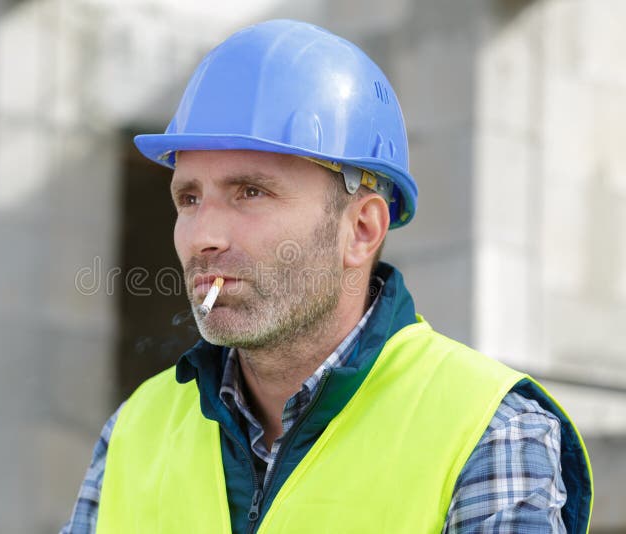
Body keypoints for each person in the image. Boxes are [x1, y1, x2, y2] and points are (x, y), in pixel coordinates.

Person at [61, 19, 593, 533]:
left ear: (361, 229)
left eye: (251, 192)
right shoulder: (135, 431)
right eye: (190, 197)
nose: (204, 235)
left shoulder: (491, 434)